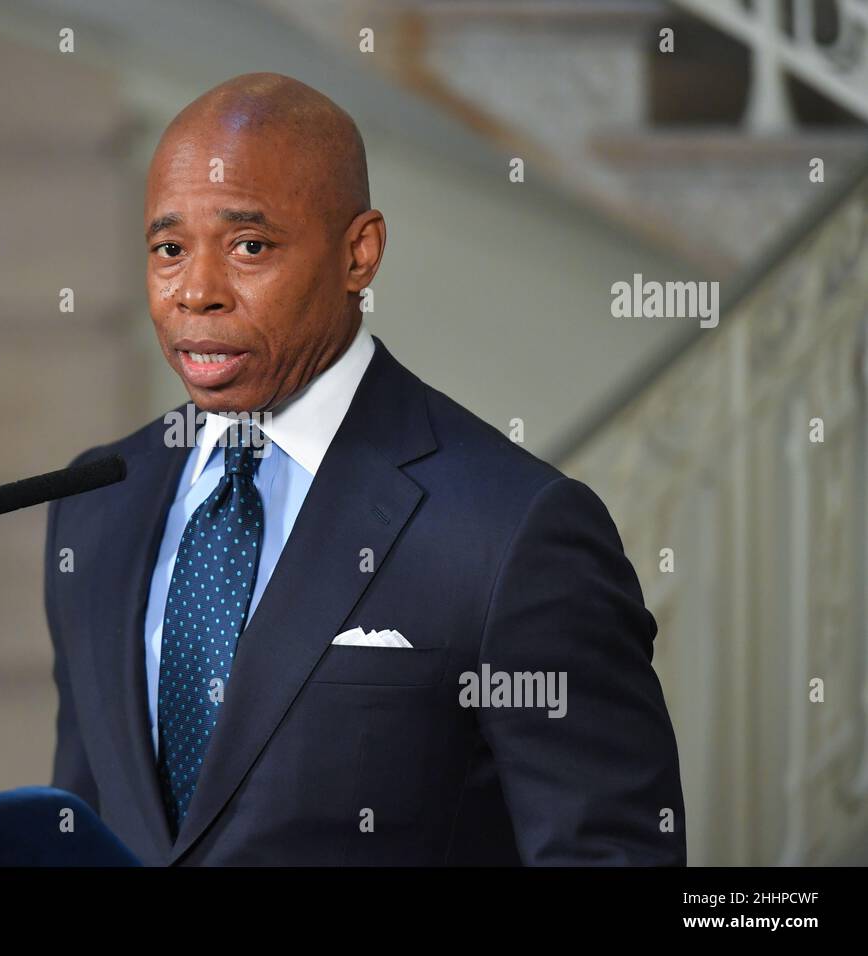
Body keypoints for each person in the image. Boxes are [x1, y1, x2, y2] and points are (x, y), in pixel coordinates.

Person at [44, 72, 686, 865]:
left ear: (359, 254)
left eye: (250, 246)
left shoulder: (513, 529)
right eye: (170, 249)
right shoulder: (96, 502)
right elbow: (77, 830)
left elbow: (611, 856)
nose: (197, 292)